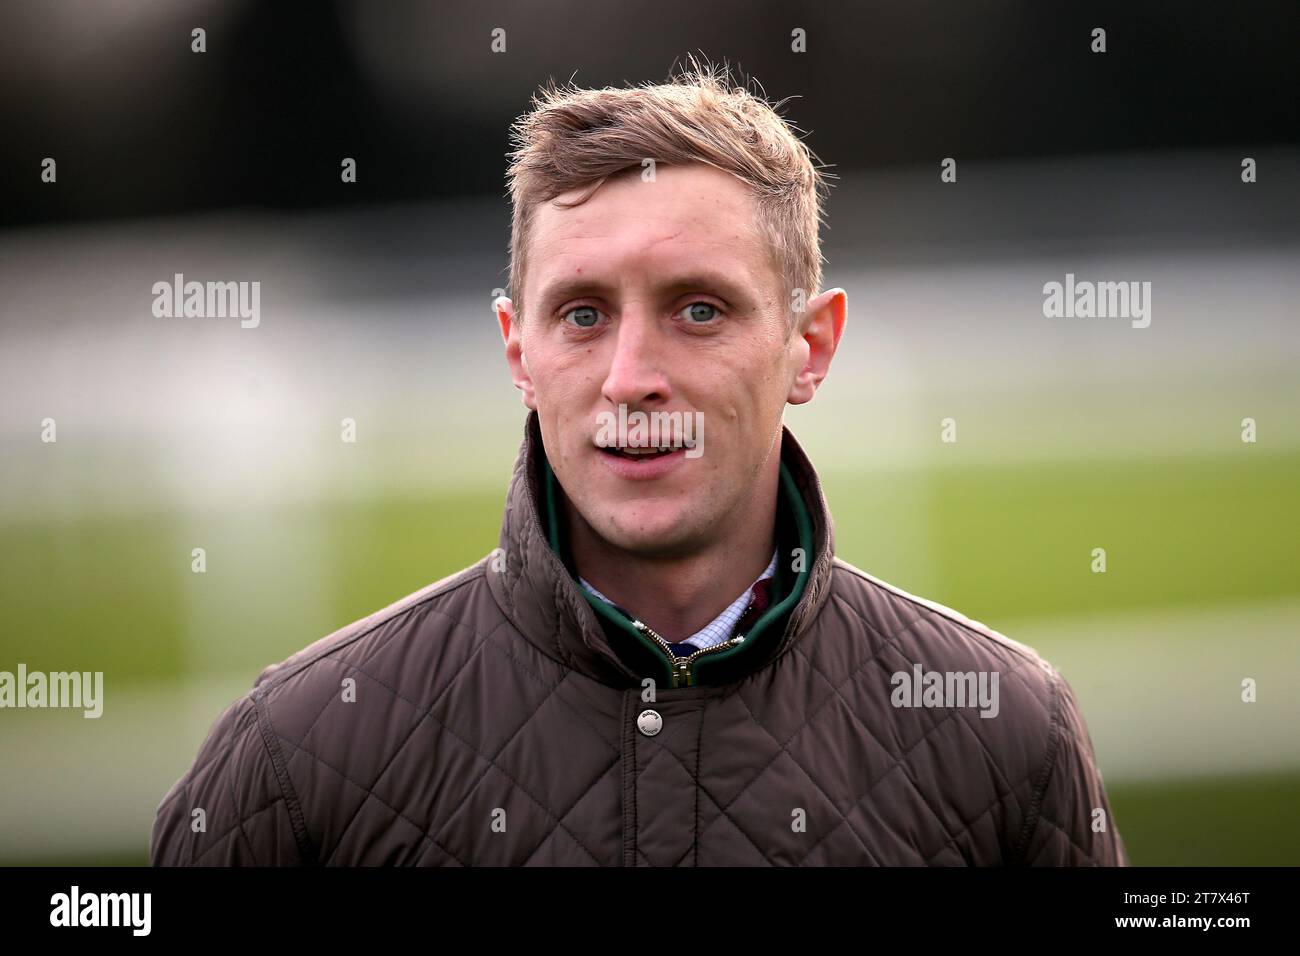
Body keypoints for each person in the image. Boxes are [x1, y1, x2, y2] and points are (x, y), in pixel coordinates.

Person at [151, 57, 1128, 866]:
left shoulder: (1006, 733)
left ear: (811, 346)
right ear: (516, 348)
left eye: (698, 307)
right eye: (582, 313)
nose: (631, 376)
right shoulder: (295, 751)